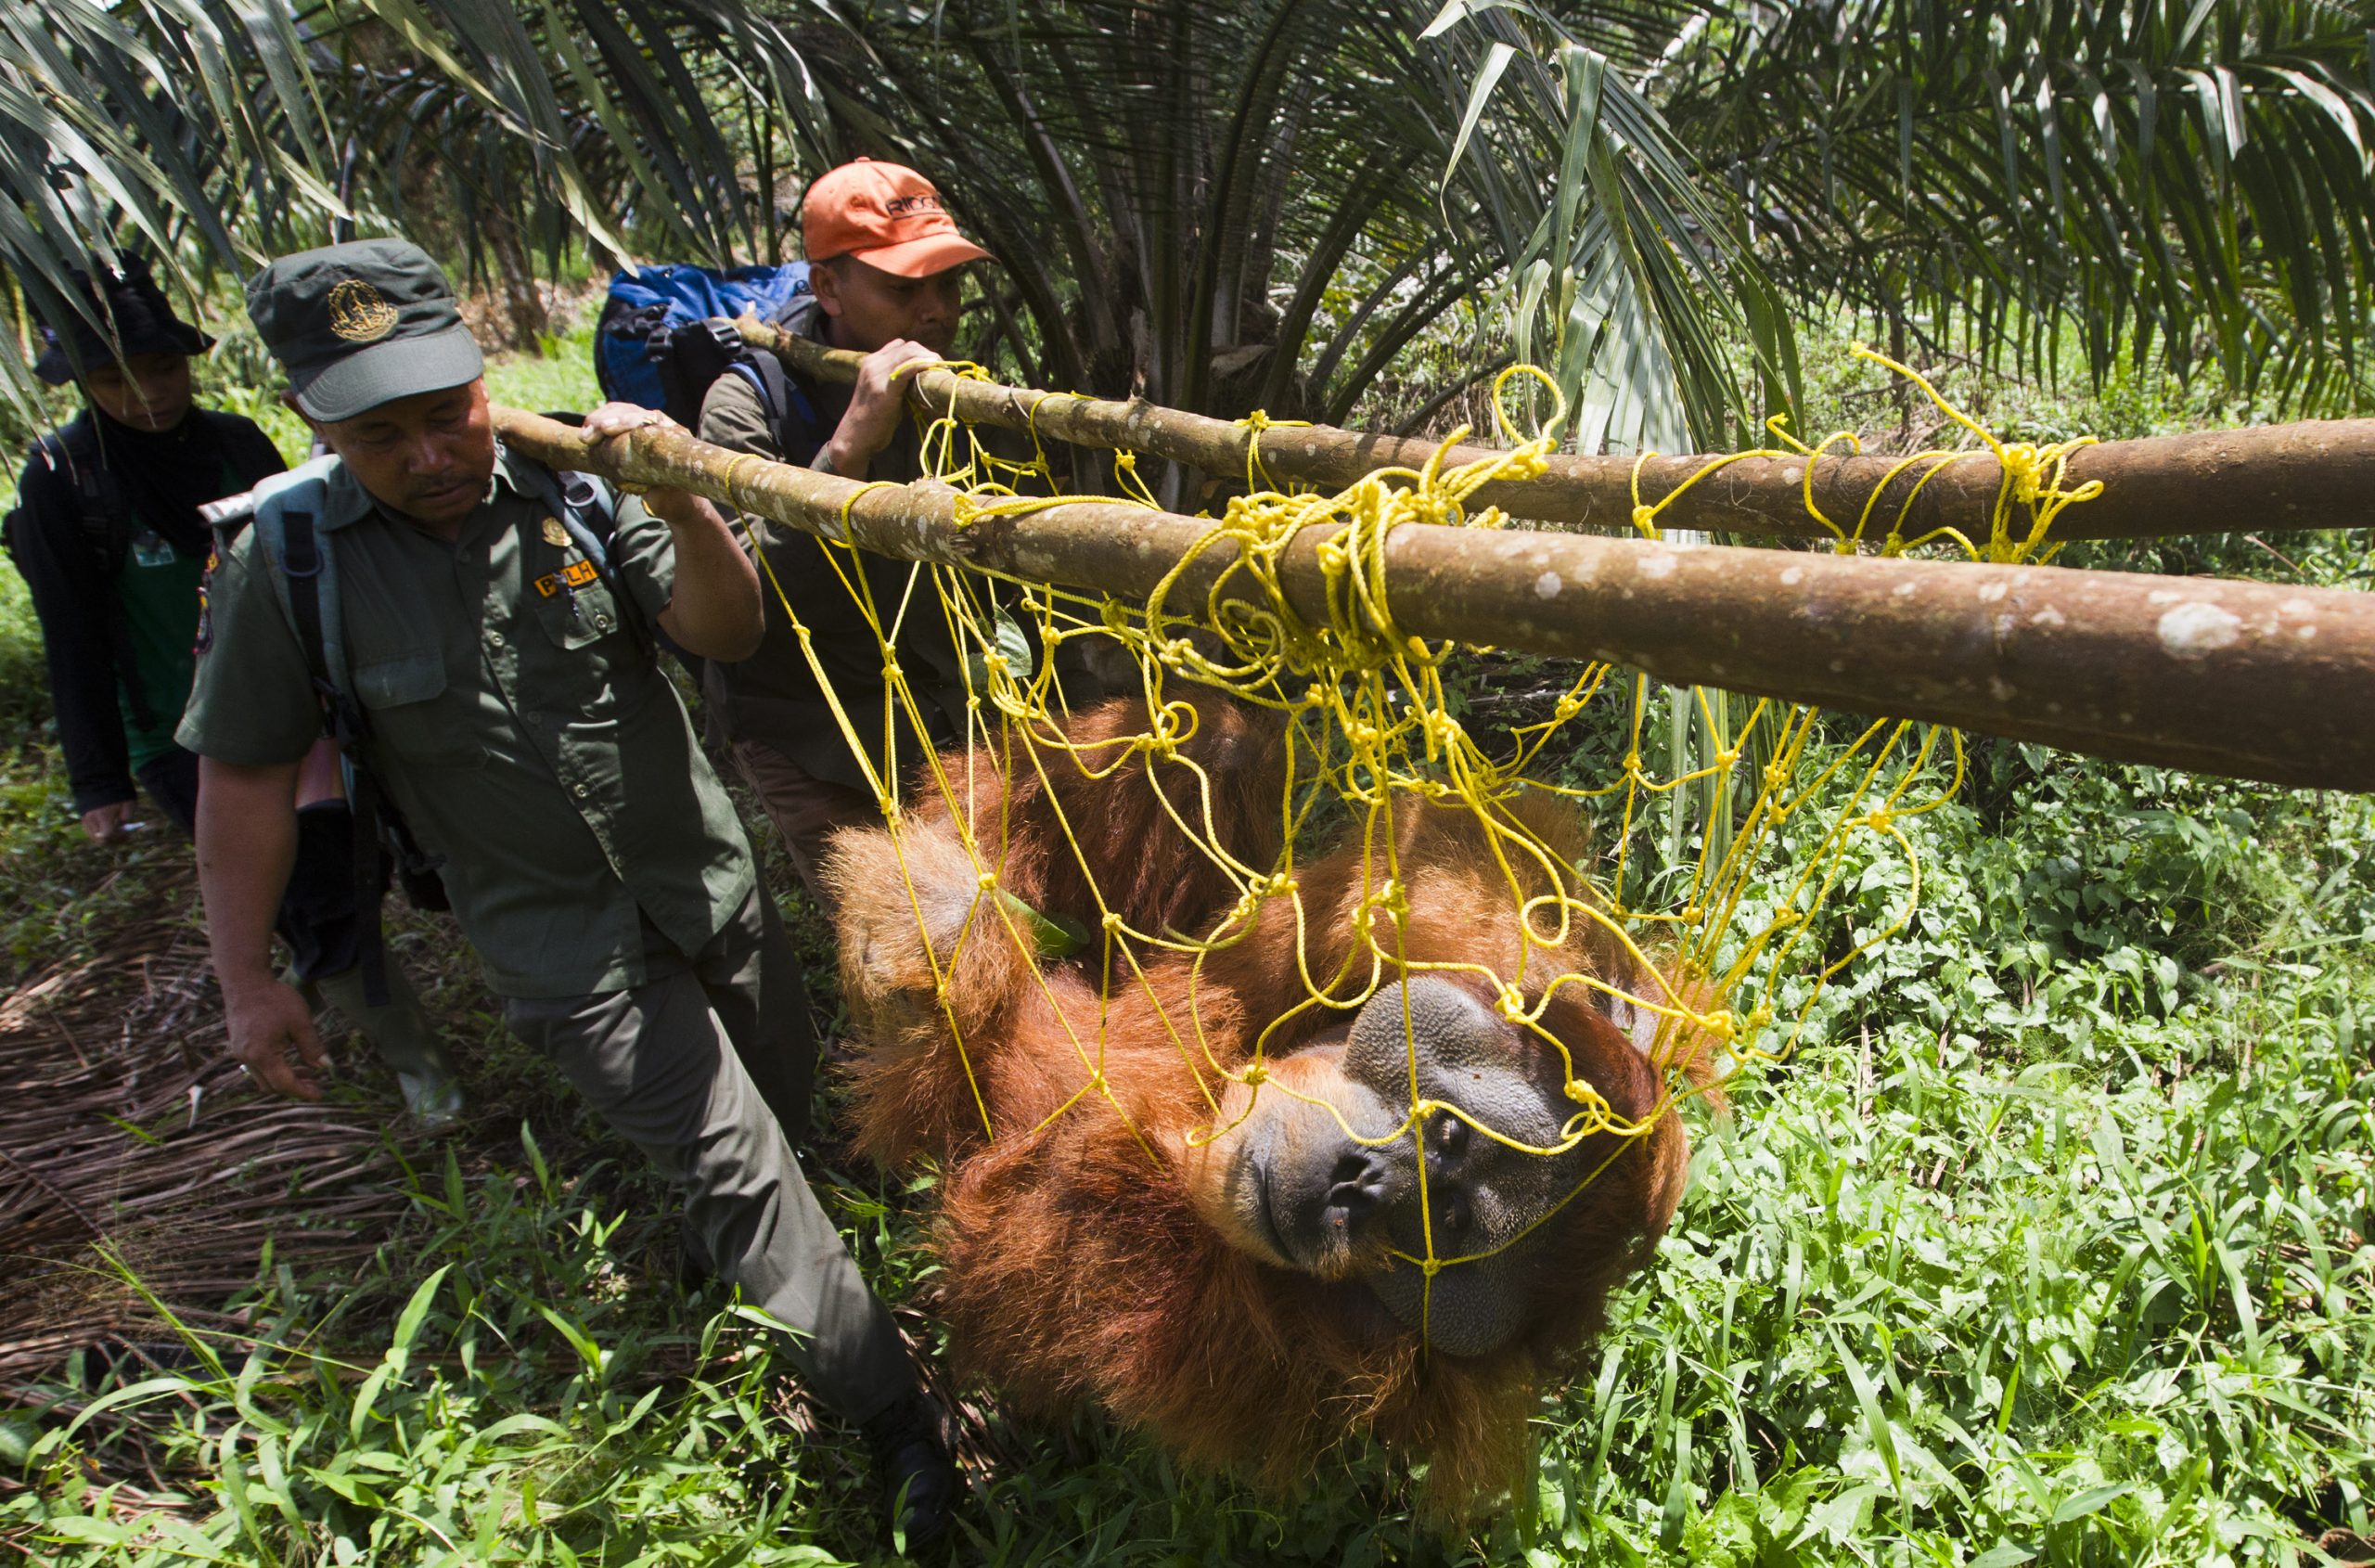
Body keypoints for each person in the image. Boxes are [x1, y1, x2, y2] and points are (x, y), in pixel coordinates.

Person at [176, 238, 957, 1545]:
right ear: (313, 421)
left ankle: (789, 1269)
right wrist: (247, 981)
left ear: (485, 380)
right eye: (381, 436)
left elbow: (725, 630)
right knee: (739, 1171)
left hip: (710, 888)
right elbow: (245, 777)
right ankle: (901, 1419)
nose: (430, 454)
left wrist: (683, 501)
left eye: (449, 414)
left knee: (781, 1110)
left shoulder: (577, 485)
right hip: (566, 951)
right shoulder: (286, 563)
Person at [3, 256, 460, 1124]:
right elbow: (72, 635)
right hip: (184, 735)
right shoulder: (63, 483)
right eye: (115, 378)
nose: (147, 394)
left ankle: (316, 978)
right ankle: (425, 1073)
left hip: (299, 709)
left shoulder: (234, 445)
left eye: (164, 367)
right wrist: (98, 779)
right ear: (80, 383)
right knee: (311, 900)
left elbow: (311, 561)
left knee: (347, 873)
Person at [698, 158, 1093, 910]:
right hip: (817, 733)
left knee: (1023, 917)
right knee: (903, 947)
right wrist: (847, 448)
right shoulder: (745, 408)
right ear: (826, 289)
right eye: (903, 289)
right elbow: (743, 606)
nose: (935, 311)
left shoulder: (957, 387)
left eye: (947, 285)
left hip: (949, 713)